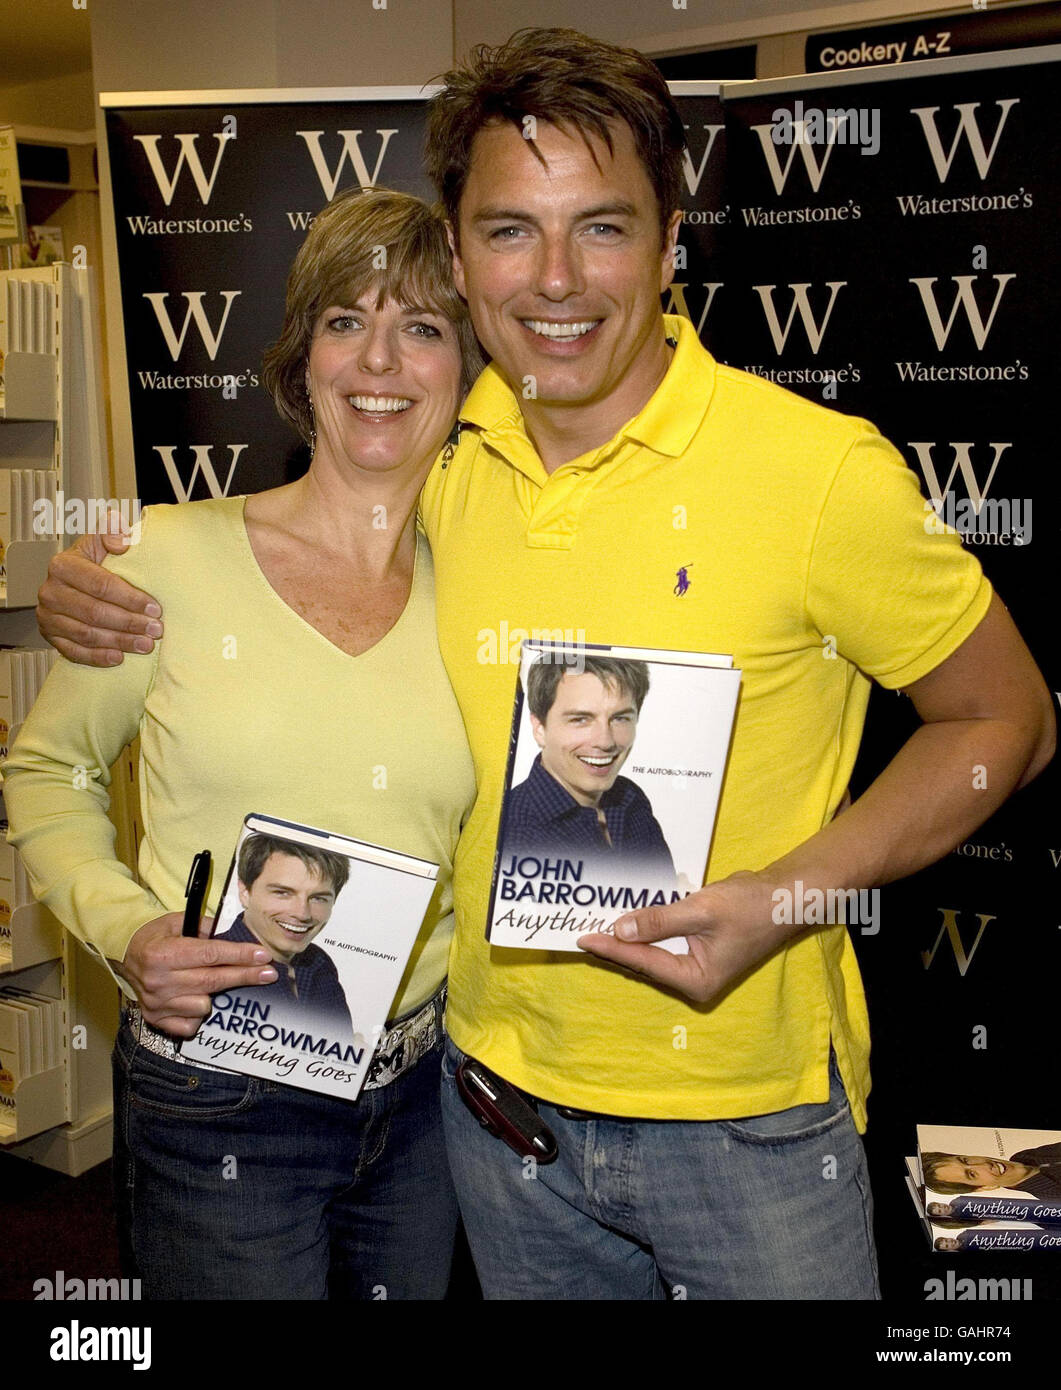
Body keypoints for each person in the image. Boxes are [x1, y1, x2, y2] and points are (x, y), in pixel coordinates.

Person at [34, 28, 1055, 1301]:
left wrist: (782, 898)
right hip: (491, 1113)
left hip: (745, 1126)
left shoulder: (818, 474)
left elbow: (1005, 720)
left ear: (669, 239)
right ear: (461, 257)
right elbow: (276, 563)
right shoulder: (442, 460)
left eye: (602, 227)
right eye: (511, 230)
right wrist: (92, 579)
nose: (557, 278)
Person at [4, 187, 479, 1300]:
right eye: (346, 321)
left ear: (468, 372)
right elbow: (49, 770)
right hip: (219, 1087)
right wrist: (125, 930)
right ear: (302, 360)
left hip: (424, 1101)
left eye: (421, 327)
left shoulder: (486, 590)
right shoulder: (163, 556)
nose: (380, 360)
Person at [502, 655, 675, 876]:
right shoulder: (515, 833)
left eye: (620, 718)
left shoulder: (631, 799)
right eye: (580, 719)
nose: (605, 741)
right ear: (539, 729)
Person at [215, 834, 354, 1037]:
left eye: (318, 898)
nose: (302, 914)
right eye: (282, 893)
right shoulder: (211, 965)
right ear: (244, 892)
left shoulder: (321, 965)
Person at [923, 1148, 1061, 1200]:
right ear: (984, 1187)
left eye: (966, 1160)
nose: (984, 1165)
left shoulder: (1023, 1156)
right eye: (972, 1174)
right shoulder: (1052, 1200)